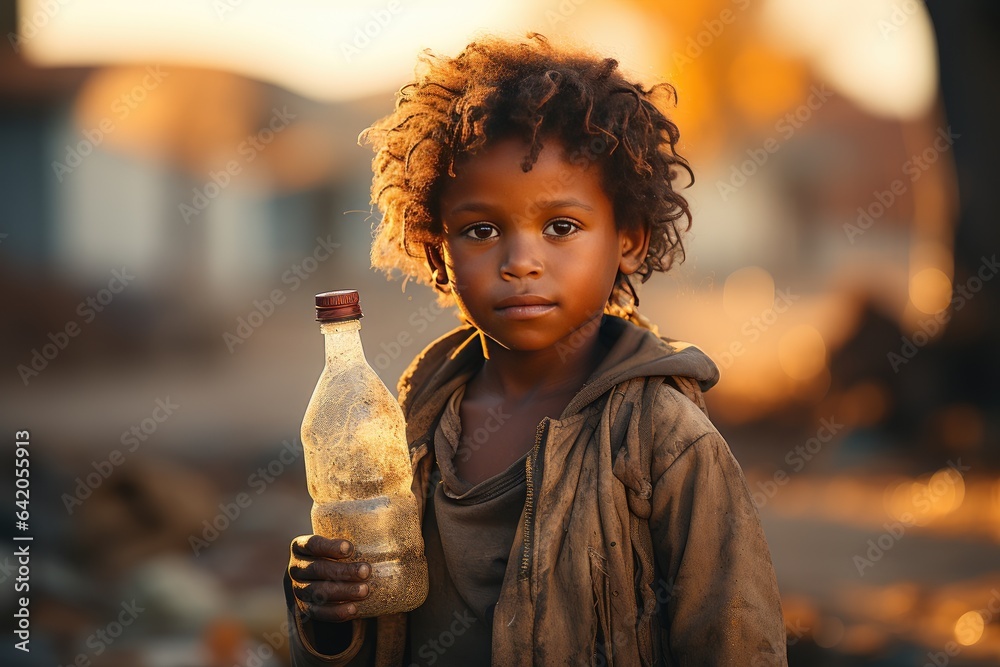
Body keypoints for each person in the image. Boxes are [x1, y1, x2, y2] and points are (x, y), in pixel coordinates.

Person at [284, 32, 787, 666]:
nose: (521, 261)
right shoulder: (410, 425)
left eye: (561, 227)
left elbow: (736, 643)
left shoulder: (663, 440)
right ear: (439, 252)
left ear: (629, 240)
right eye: (481, 230)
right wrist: (328, 619)